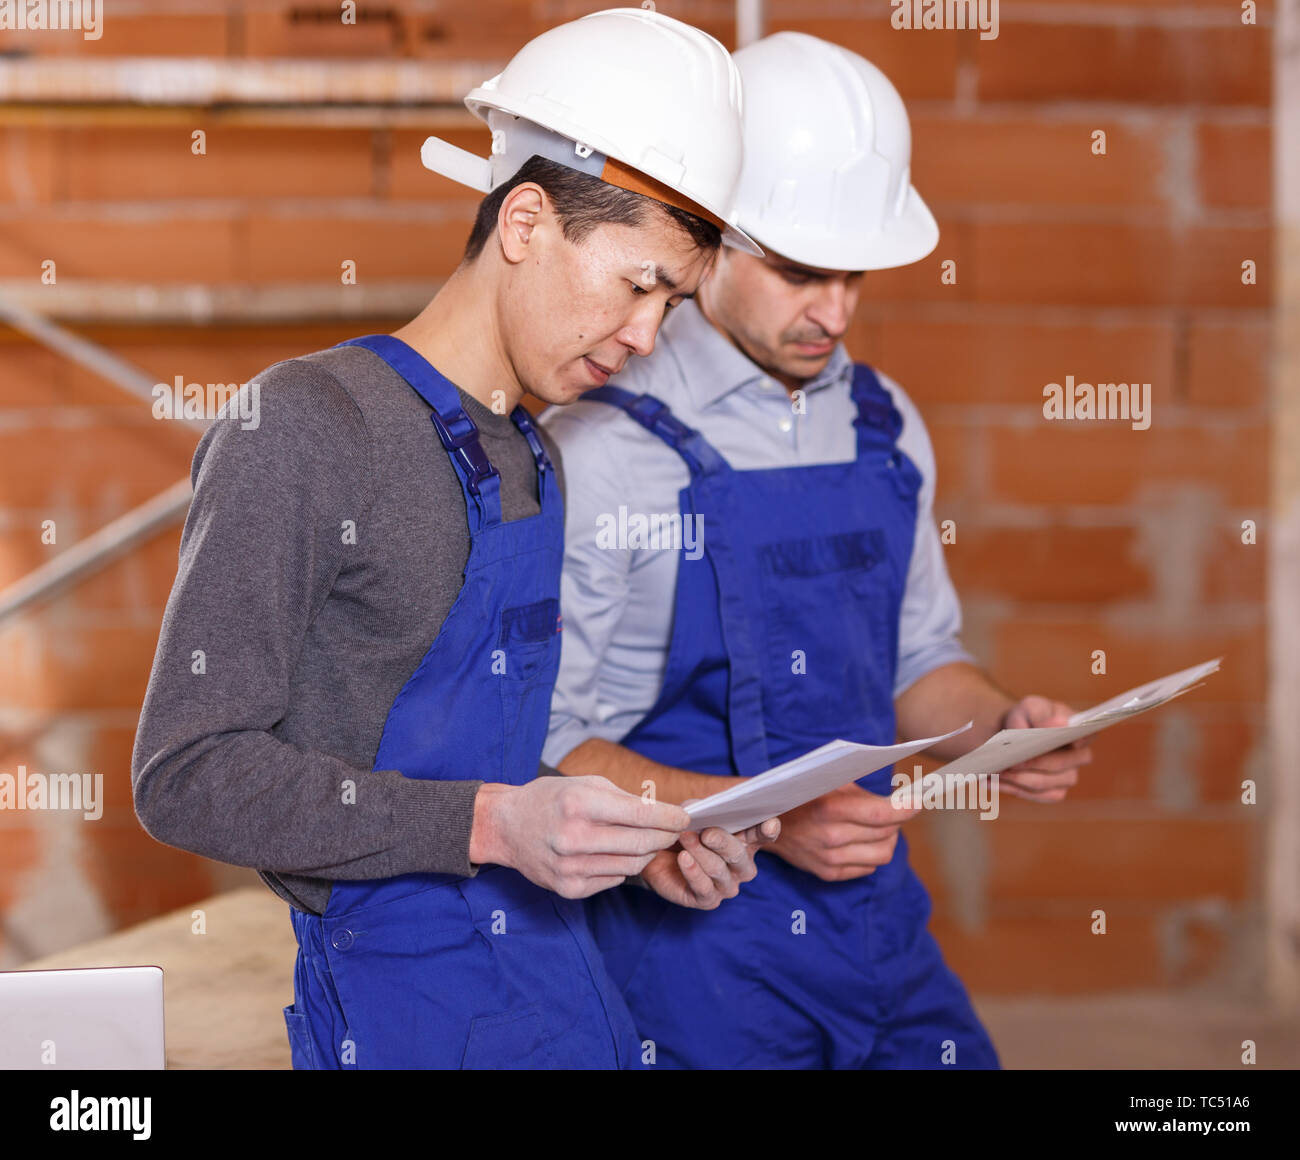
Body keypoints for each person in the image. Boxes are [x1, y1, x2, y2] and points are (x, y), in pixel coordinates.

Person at [130, 8, 776, 1071]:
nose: (647, 336)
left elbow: (503, 763)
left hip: (557, 977)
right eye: (638, 284)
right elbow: (188, 771)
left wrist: (623, 846)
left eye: (675, 304)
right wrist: (493, 827)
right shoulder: (306, 423)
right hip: (403, 1007)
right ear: (524, 222)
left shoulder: (536, 451)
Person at [540, 31, 1092, 1069]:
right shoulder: (604, 446)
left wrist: (996, 727)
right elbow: (548, 745)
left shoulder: (883, 426)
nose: (833, 311)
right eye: (800, 271)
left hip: (874, 913)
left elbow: (918, 661)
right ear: (709, 239)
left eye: (856, 274)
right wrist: (769, 819)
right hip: (690, 934)